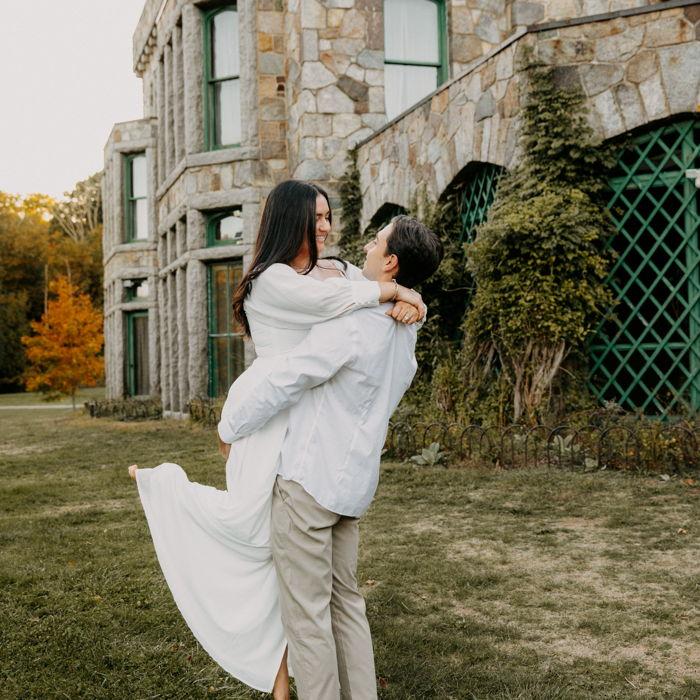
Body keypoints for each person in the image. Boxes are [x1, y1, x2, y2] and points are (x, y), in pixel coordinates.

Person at [127, 180, 424, 699]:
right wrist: (402, 292)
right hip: (291, 438)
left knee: (305, 599)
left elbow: (302, 364)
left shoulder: (346, 289)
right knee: (289, 566)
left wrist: (408, 294)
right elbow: (340, 305)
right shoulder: (278, 281)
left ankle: (291, 684)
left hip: (306, 451)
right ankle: (284, 681)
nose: (329, 227)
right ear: (292, 220)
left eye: (329, 216)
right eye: (318, 217)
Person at [218, 214, 444, 699]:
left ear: (391, 262)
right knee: (346, 603)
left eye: (376, 241)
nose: (366, 247)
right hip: (354, 484)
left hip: (308, 480)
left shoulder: (355, 322)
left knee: (307, 616)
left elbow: (291, 376)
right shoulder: (405, 328)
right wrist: (412, 300)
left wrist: (230, 426)